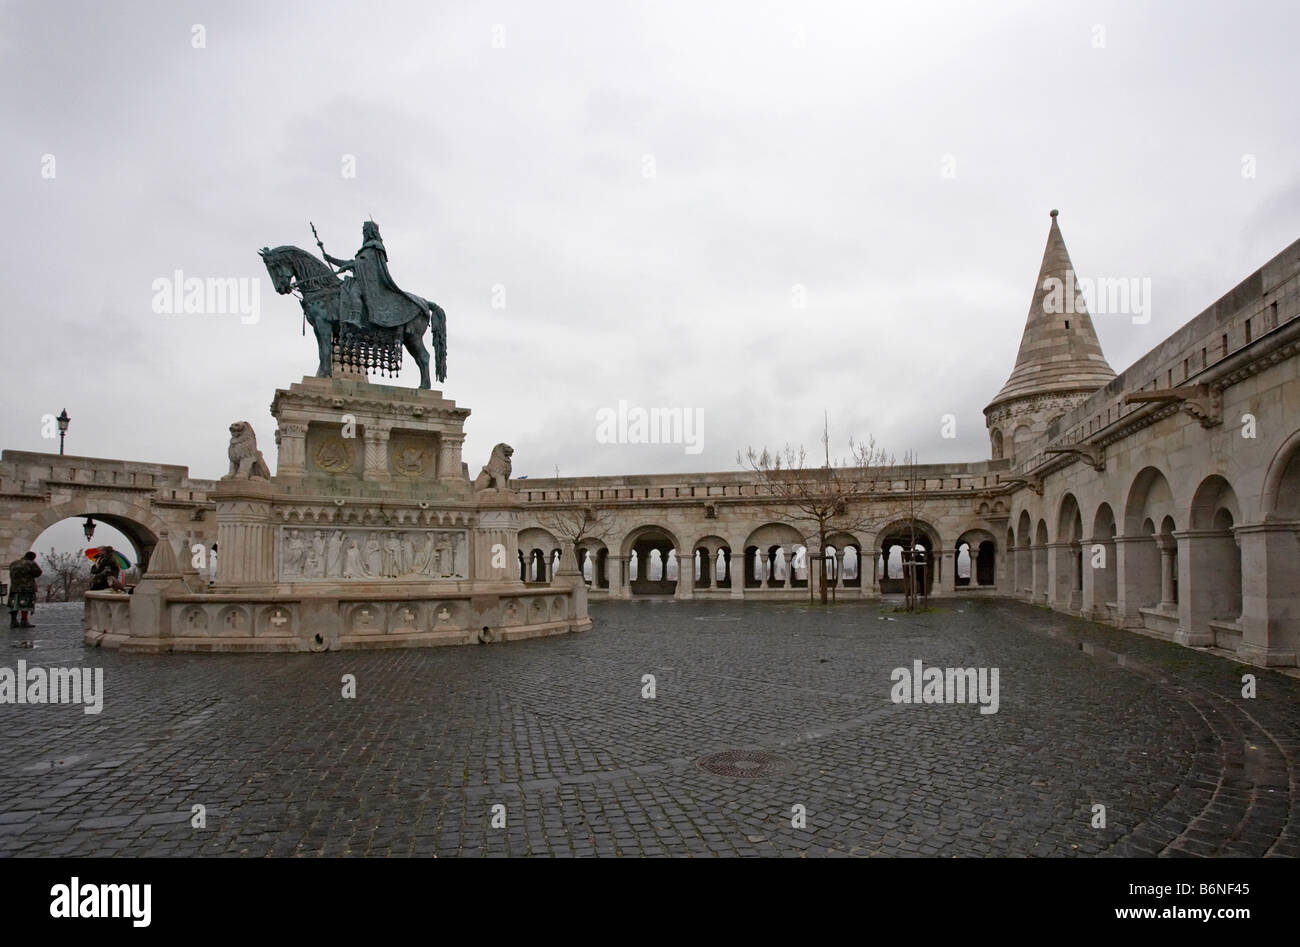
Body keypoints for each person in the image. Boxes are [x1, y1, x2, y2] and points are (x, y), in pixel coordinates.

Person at [7, 551, 42, 629]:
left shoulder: (14, 563)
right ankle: (24, 621)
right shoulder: (30, 563)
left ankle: (13, 621)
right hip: (26, 587)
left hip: (14, 587)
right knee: (25, 605)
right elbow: (38, 572)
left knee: (14, 604)